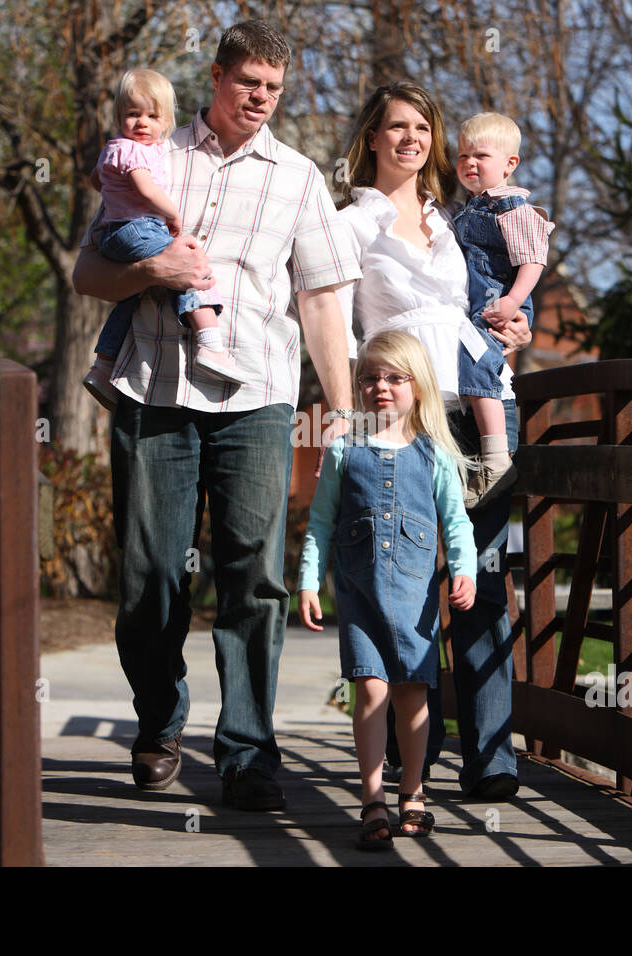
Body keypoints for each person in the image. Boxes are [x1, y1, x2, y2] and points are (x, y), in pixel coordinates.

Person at [71, 20, 360, 811]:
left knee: (255, 576)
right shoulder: (154, 156)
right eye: (247, 84)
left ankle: (247, 752)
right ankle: (159, 722)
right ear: (218, 76)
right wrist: (152, 269)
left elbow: (324, 303)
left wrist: (342, 412)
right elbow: (86, 274)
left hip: (258, 398)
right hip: (154, 391)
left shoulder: (300, 177)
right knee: (150, 578)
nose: (260, 99)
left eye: (273, 88)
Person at [331, 82, 531, 799]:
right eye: (396, 127)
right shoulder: (350, 224)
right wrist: (348, 414)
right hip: (404, 419)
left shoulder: (455, 219)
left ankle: (493, 757)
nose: (411, 139)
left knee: (481, 579)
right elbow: (337, 328)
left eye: (422, 127)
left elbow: (492, 300)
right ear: (373, 138)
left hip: (483, 406)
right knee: (407, 579)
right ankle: (422, 746)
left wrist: (519, 326)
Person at [298, 330, 476, 848]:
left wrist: (463, 569)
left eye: (395, 377)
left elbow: (456, 522)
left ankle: (414, 791)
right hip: (358, 598)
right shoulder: (342, 449)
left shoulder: (436, 454)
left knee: (413, 695)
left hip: (416, 601)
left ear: (418, 386)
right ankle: (372, 797)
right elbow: (321, 522)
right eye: (370, 377)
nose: (381, 387)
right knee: (370, 692)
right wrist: (308, 581)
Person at [82, 68, 249, 412]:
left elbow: (97, 180)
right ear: (119, 117)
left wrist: (115, 196)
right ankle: (209, 343)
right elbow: (145, 188)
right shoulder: (133, 151)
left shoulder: (115, 149)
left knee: (132, 297)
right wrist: (172, 214)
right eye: (132, 114)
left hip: (117, 230)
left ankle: (102, 367)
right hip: (137, 227)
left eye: (151, 115)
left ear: (166, 120)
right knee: (190, 266)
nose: (142, 122)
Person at [452, 112, 554, 506]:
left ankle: (496, 459)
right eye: (462, 156)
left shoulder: (511, 207)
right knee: (474, 364)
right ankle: (489, 458)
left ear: (510, 164)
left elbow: (532, 259)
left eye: (480, 155)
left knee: (477, 364)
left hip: (498, 301)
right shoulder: (471, 206)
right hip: (485, 303)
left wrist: (513, 301)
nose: (469, 164)